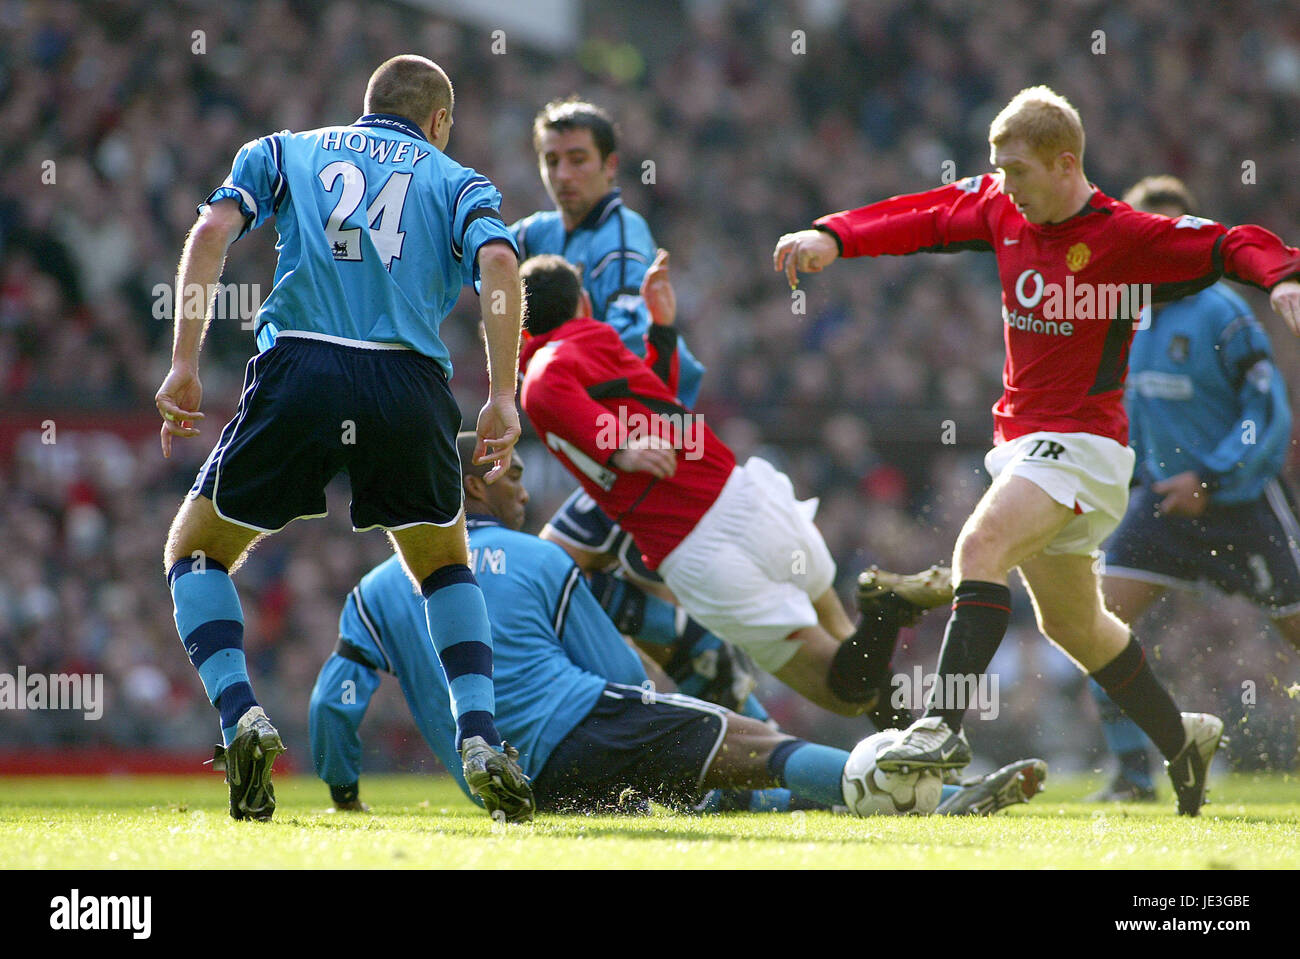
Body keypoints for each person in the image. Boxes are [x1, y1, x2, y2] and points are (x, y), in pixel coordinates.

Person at [773, 85, 1300, 815]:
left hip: (1085, 444)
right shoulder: (999, 205)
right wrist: (835, 235)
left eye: (1016, 170)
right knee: (1074, 625)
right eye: (998, 169)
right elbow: (923, 214)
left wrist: (1282, 276)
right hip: (1024, 445)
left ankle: (939, 726)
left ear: (1064, 162)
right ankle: (1181, 736)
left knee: (979, 546)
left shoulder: (1125, 233)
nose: (1004, 184)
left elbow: (1227, 239)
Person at [153, 55, 532, 822]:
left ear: (365, 108)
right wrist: (500, 392)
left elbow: (212, 228)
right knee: (443, 565)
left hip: (303, 369)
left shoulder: (285, 149)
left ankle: (241, 717)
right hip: (409, 383)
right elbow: (497, 260)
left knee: (194, 552)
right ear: (439, 122)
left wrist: (185, 362)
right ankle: (481, 736)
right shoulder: (460, 180)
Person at [309, 433, 1047, 818]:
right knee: (757, 743)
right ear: (473, 483)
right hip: (580, 726)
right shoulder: (537, 556)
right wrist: (677, 706)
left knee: (724, 782)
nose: (523, 484)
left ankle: (839, 787)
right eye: (509, 475)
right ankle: (937, 798)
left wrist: (346, 798)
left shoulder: (374, 589)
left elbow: (331, 706)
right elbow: (622, 680)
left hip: (512, 786)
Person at [517, 250, 924, 724]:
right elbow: (657, 398)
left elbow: (542, 385)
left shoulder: (548, 365)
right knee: (841, 637)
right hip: (740, 493)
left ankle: (886, 614)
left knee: (842, 693)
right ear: (583, 303)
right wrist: (662, 330)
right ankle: (919, 754)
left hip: (694, 545)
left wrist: (618, 449)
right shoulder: (595, 339)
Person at [507, 100, 769, 727]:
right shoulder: (538, 235)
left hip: (639, 437)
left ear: (610, 166)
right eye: (552, 161)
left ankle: (677, 708)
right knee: (576, 581)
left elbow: (624, 364)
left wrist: (615, 443)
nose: (564, 174)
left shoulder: (623, 243)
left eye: (578, 161)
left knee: (550, 575)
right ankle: (717, 688)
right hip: (602, 441)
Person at [1088, 176, 1300, 801]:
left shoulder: (1222, 310)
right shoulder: (1121, 313)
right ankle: (1132, 776)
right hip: (1161, 502)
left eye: (1176, 234)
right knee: (1091, 622)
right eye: (1148, 234)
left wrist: (1210, 476)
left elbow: (1267, 411)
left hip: (1239, 503)